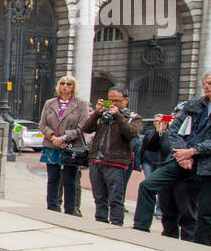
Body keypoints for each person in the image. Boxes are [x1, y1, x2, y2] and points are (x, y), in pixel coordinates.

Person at [132, 70, 211, 246]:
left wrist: (194, 151)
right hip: (182, 159)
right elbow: (174, 130)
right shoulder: (193, 105)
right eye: (205, 83)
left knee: (206, 212)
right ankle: (140, 230)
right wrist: (183, 153)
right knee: (147, 185)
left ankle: (202, 247)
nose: (206, 86)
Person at [82, 86, 141, 226]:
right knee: (99, 197)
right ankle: (100, 223)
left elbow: (130, 134)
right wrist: (97, 113)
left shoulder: (134, 117)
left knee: (115, 198)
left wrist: (118, 116)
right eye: (110, 101)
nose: (113, 104)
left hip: (116, 162)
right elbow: (86, 128)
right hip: (96, 160)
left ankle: (116, 226)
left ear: (126, 100)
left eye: (117, 101)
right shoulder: (103, 115)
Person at [38, 75, 89, 215]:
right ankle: (52, 208)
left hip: (70, 147)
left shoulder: (81, 104)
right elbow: (42, 125)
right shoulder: (50, 103)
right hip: (51, 145)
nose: (65, 86)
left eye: (69, 84)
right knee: (53, 178)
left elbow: (83, 125)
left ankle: (70, 210)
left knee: (69, 180)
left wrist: (65, 138)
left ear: (73, 87)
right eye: (62, 83)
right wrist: (54, 137)